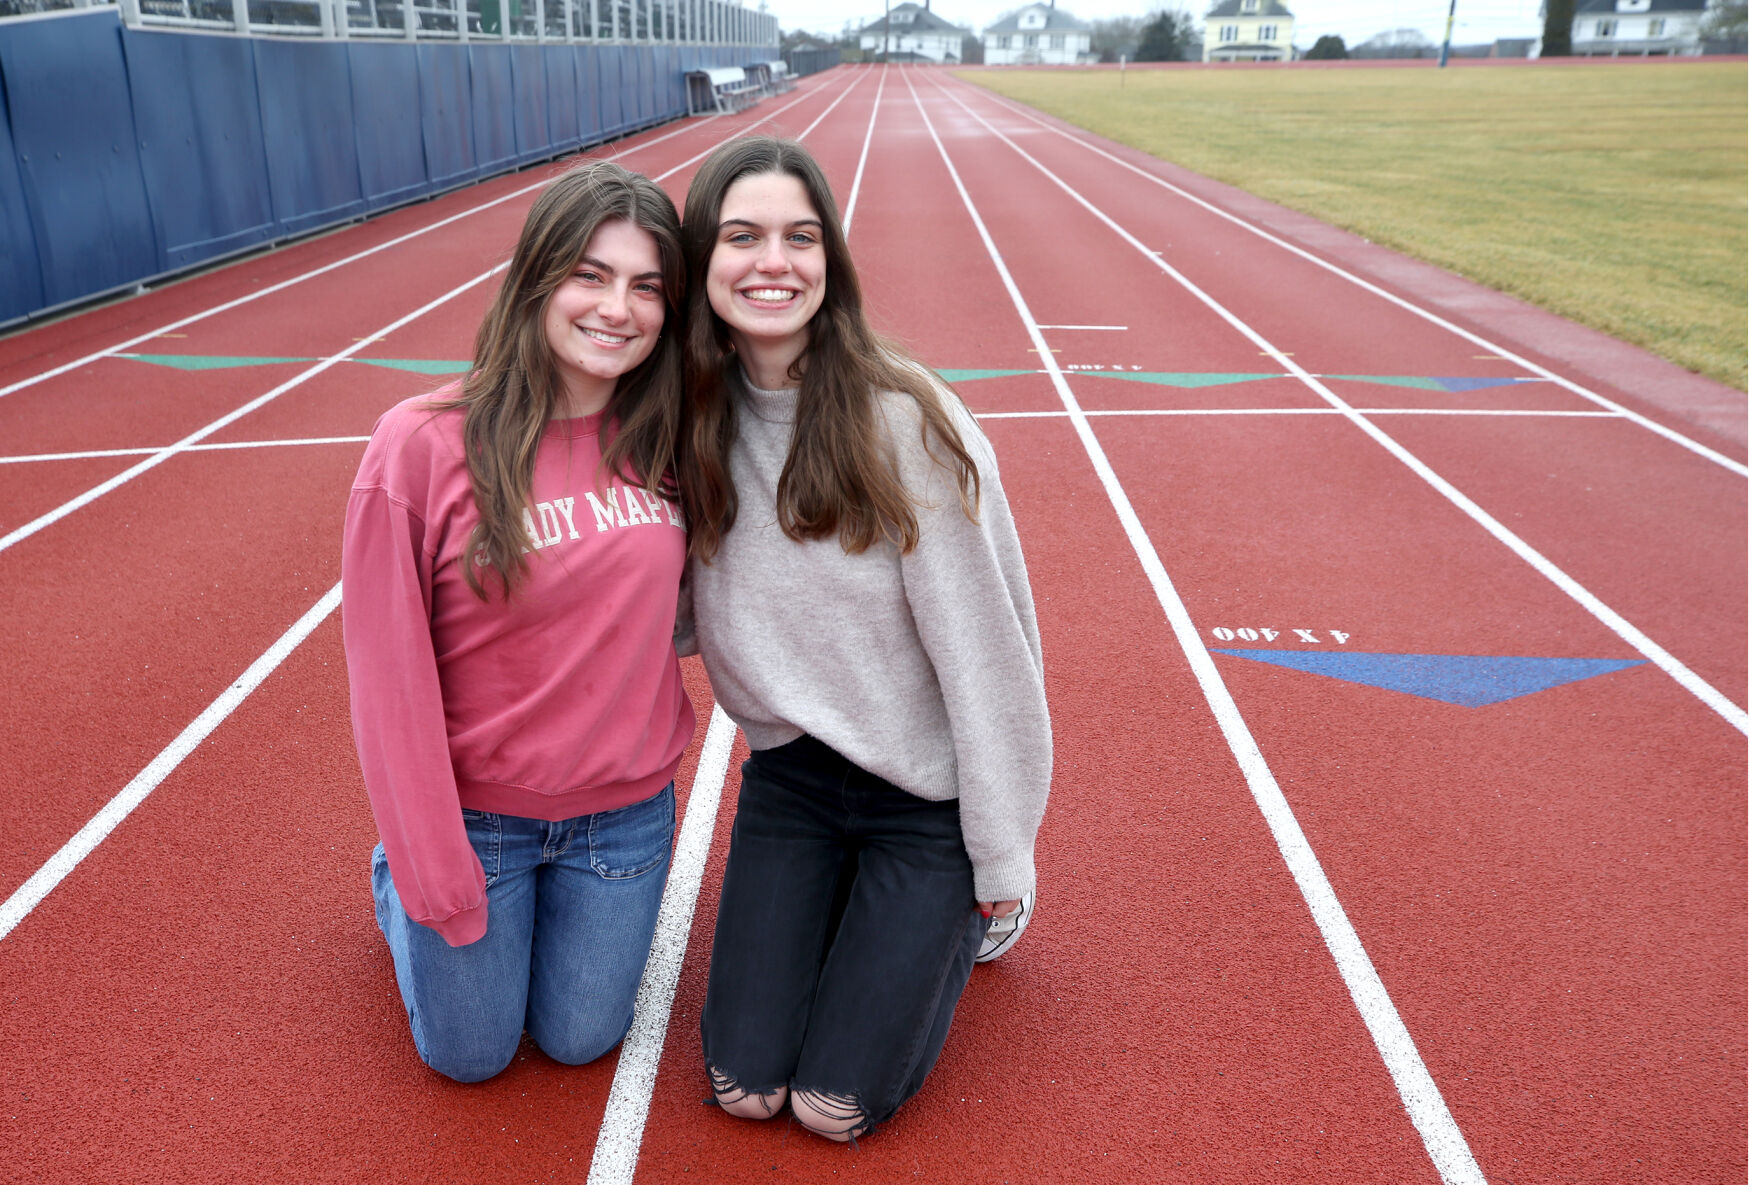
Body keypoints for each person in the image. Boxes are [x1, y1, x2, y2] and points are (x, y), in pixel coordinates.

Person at [676, 137, 1052, 1142]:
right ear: (700, 263)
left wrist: (1000, 850)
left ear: (829, 264)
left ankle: (956, 921)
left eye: (801, 237)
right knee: (743, 1089)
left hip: (920, 799)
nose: (774, 262)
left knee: (831, 1111)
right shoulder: (686, 426)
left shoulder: (907, 423)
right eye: (742, 236)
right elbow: (650, 608)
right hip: (794, 785)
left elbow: (990, 654)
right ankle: (858, 914)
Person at [341, 161, 693, 1083]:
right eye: (591, 273)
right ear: (537, 276)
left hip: (622, 815)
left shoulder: (671, 439)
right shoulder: (420, 445)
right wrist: (431, 864)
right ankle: (395, 884)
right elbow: (388, 680)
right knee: (472, 1056)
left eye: (646, 285)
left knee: (579, 1041)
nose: (618, 307)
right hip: (479, 815)